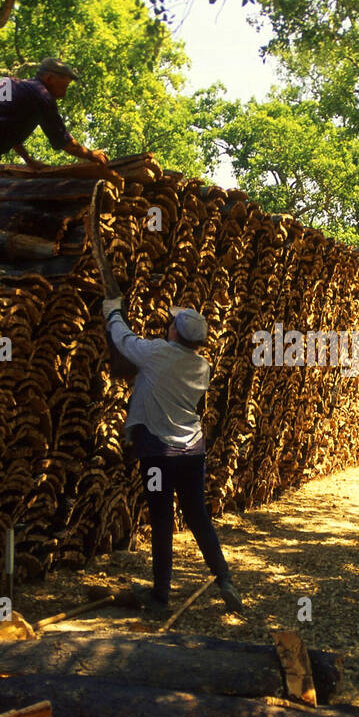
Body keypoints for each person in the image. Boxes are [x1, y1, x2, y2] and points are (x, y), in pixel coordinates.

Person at [89, 231, 243, 616]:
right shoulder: (202, 366)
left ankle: (160, 596)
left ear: (174, 332)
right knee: (197, 516)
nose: (168, 326)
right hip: (191, 452)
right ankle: (223, 577)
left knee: (160, 520)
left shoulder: (157, 353)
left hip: (158, 455)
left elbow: (125, 341)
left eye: (171, 324)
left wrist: (113, 310)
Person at [0, 57, 108, 280]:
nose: (66, 90)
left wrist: (28, 160)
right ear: (49, 78)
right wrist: (91, 154)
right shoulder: (41, 94)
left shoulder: (24, 92)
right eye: (65, 84)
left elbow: (8, 127)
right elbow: (61, 140)